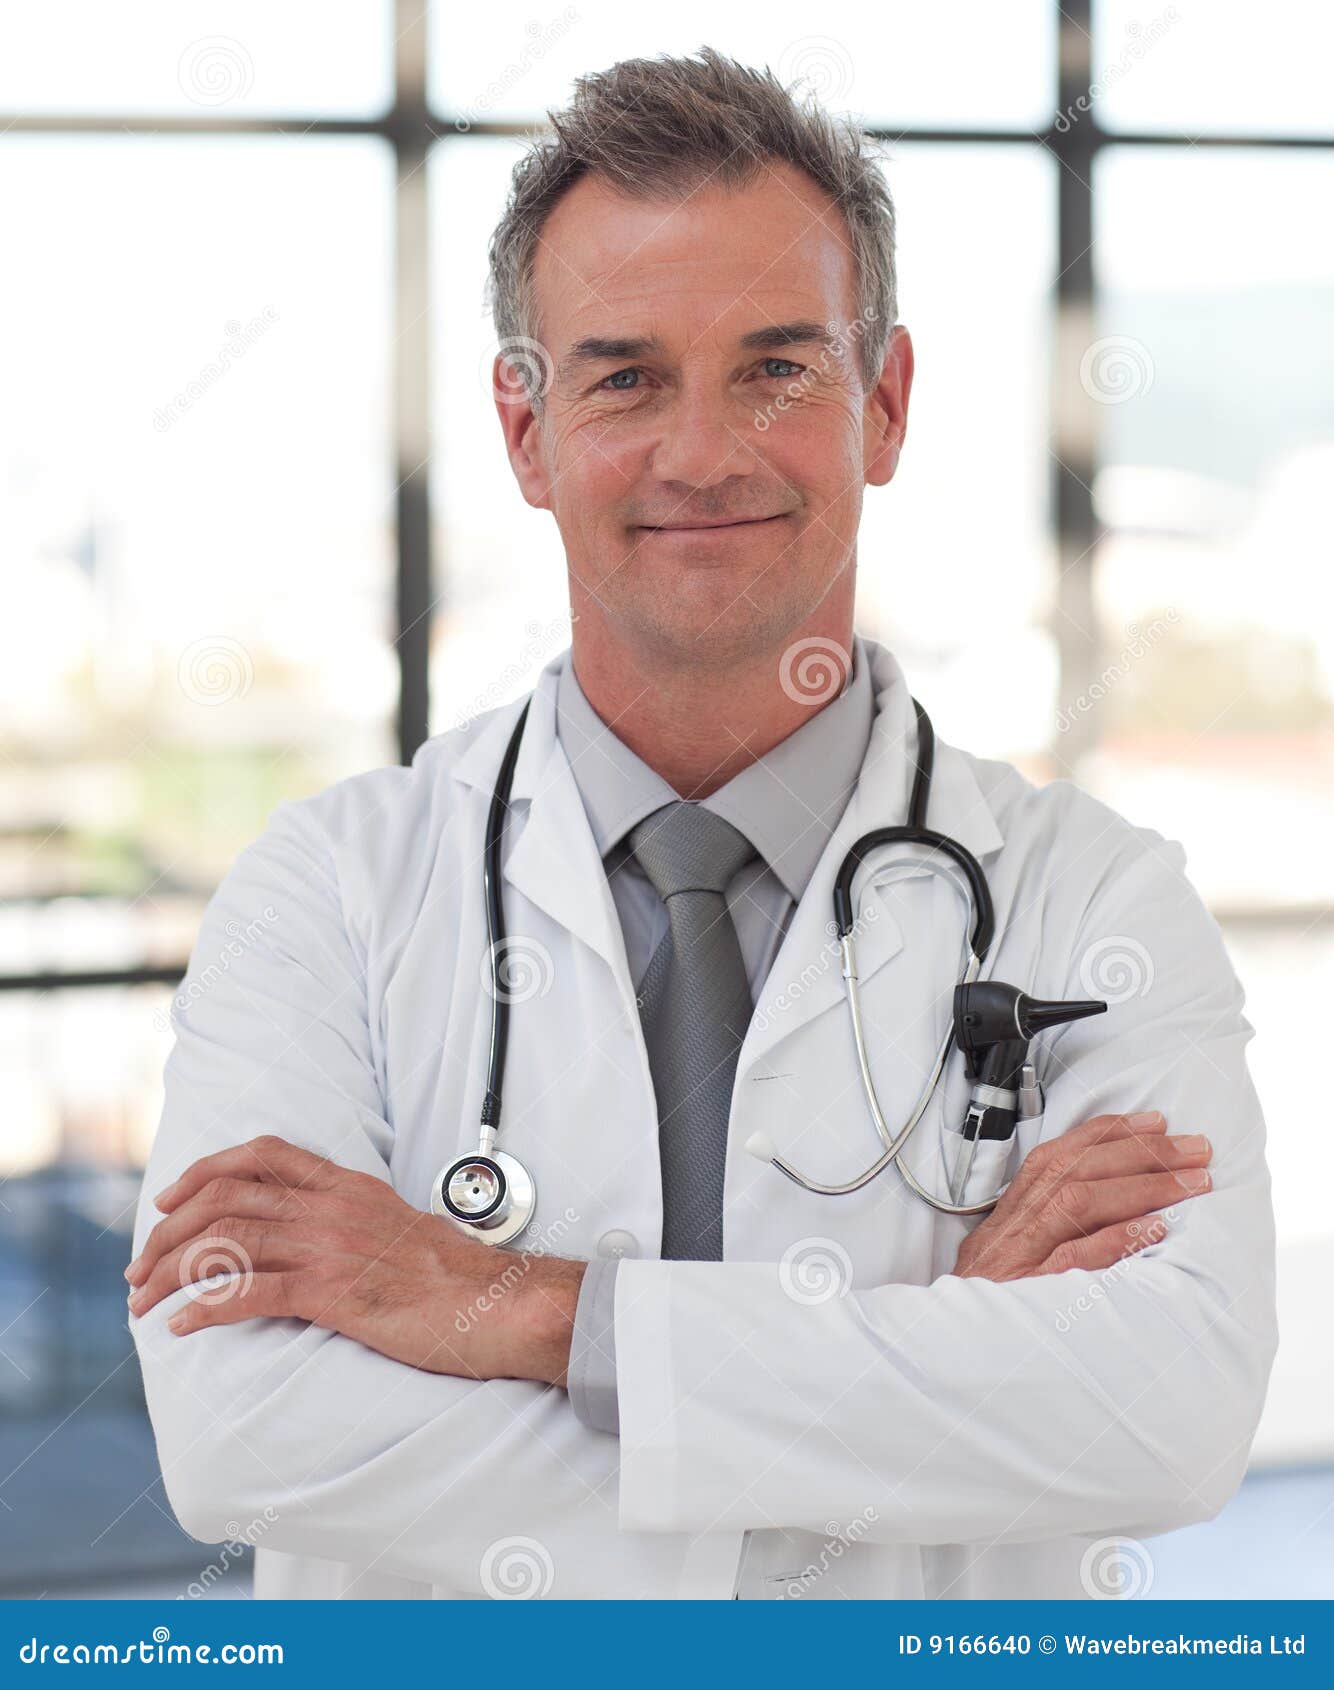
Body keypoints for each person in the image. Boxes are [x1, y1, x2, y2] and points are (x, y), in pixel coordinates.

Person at [127, 47, 1277, 1600]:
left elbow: (1163, 1411)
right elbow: (247, 1431)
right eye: (623, 375)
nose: (702, 453)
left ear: (883, 403)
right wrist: (912, 1420)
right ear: (525, 431)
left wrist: (517, 1308)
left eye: (776, 367)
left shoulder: (1098, 906)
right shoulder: (323, 894)